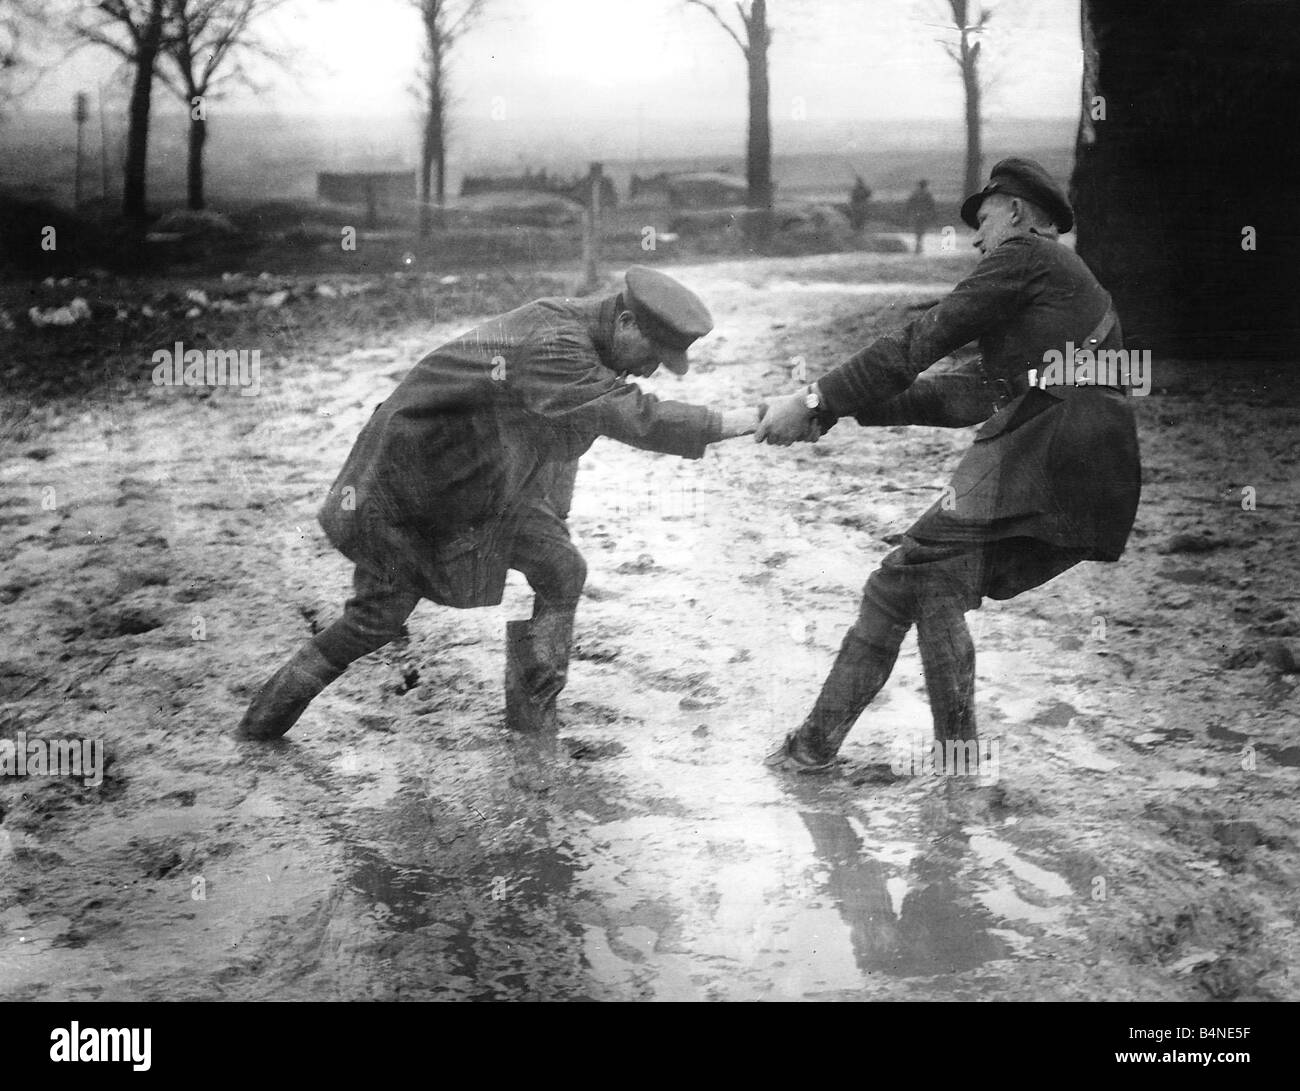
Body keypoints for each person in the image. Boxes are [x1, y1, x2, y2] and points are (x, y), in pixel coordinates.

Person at [238, 266, 760, 740]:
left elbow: (562, 440)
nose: (651, 372)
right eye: (653, 357)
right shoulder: (555, 341)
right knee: (376, 619)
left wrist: (553, 521)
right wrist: (751, 420)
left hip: (485, 482)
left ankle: (532, 726)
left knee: (561, 570)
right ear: (625, 322)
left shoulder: (584, 343)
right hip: (415, 487)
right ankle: (260, 728)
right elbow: (630, 417)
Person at [755, 157, 1141, 774]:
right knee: (920, 583)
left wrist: (814, 397)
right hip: (1089, 466)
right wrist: (834, 411)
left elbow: (917, 343)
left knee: (917, 573)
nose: (976, 237)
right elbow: (961, 397)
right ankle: (838, 752)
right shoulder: (1056, 283)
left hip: (1052, 452)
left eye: (983, 219)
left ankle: (885, 759)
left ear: (1016, 213)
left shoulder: (1026, 258)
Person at [905, 179, 936, 254]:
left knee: (917, 228)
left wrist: (909, 212)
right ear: (925, 185)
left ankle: (918, 243)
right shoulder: (928, 194)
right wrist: (932, 214)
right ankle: (919, 243)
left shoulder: (915, 193)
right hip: (924, 214)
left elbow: (909, 204)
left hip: (916, 214)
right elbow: (931, 205)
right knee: (922, 228)